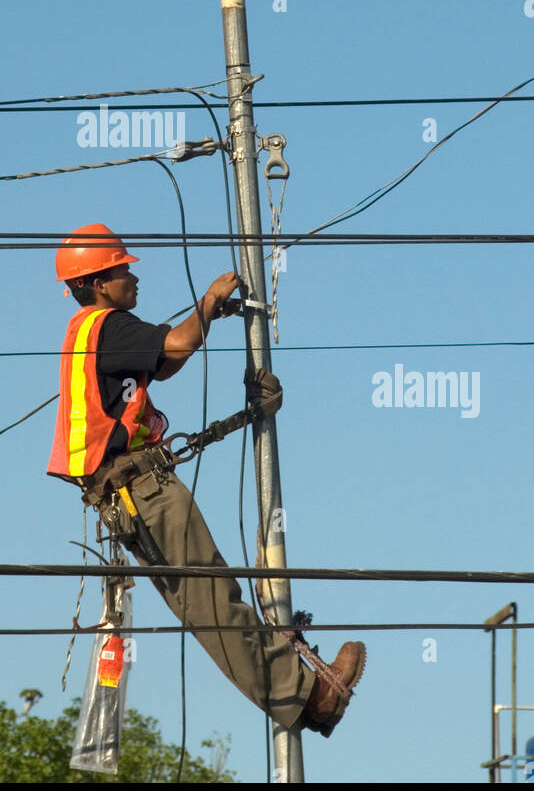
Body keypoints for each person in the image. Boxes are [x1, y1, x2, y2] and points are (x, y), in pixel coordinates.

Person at [47, 223, 366, 738]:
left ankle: (302, 695)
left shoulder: (91, 332)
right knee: (214, 601)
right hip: (141, 490)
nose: (133, 277)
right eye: (123, 270)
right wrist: (208, 301)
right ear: (99, 283)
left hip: (131, 492)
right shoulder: (106, 324)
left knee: (211, 601)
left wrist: (205, 319)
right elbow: (174, 342)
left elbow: (166, 360)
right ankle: (309, 695)